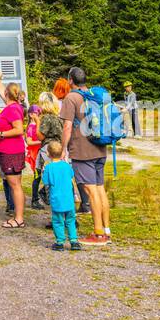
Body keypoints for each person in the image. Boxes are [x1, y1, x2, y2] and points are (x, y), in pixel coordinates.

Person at [61, 66, 111, 246]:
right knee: (99, 189)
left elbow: (67, 127)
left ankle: (98, 234)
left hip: (83, 151)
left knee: (90, 191)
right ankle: (106, 231)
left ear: (70, 81)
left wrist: (63, 149)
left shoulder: (71, 98)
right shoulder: (93, 95)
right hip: (100, 148)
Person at [0, 80, 27, 230]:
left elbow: (19, 130)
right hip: (11, 150)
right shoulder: (13, 106)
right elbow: (1, 90)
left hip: (11, 151)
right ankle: (18, 216)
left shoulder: (12, 109)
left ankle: (19, 219)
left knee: (15, 185)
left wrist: (0, 134)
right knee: (15, 185)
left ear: (7, 94)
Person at [42, 139, 81, 251]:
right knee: (70, 220)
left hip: (56, 199)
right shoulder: (67, 166)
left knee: (58, 221)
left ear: (48, 154)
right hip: (69, 199)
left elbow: (46, 182)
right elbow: (71, 176)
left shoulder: (48, 168)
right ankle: (74, 241)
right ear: (63, 153)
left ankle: (60, 242)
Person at [33, 93, 63, 208]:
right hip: (58, 148)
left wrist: (37, 122)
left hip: (48, 150)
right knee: (58, 178)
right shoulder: (58, 118)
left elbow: (40, 136)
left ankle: (54, 207)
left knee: (49, 180)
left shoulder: (46, 118)